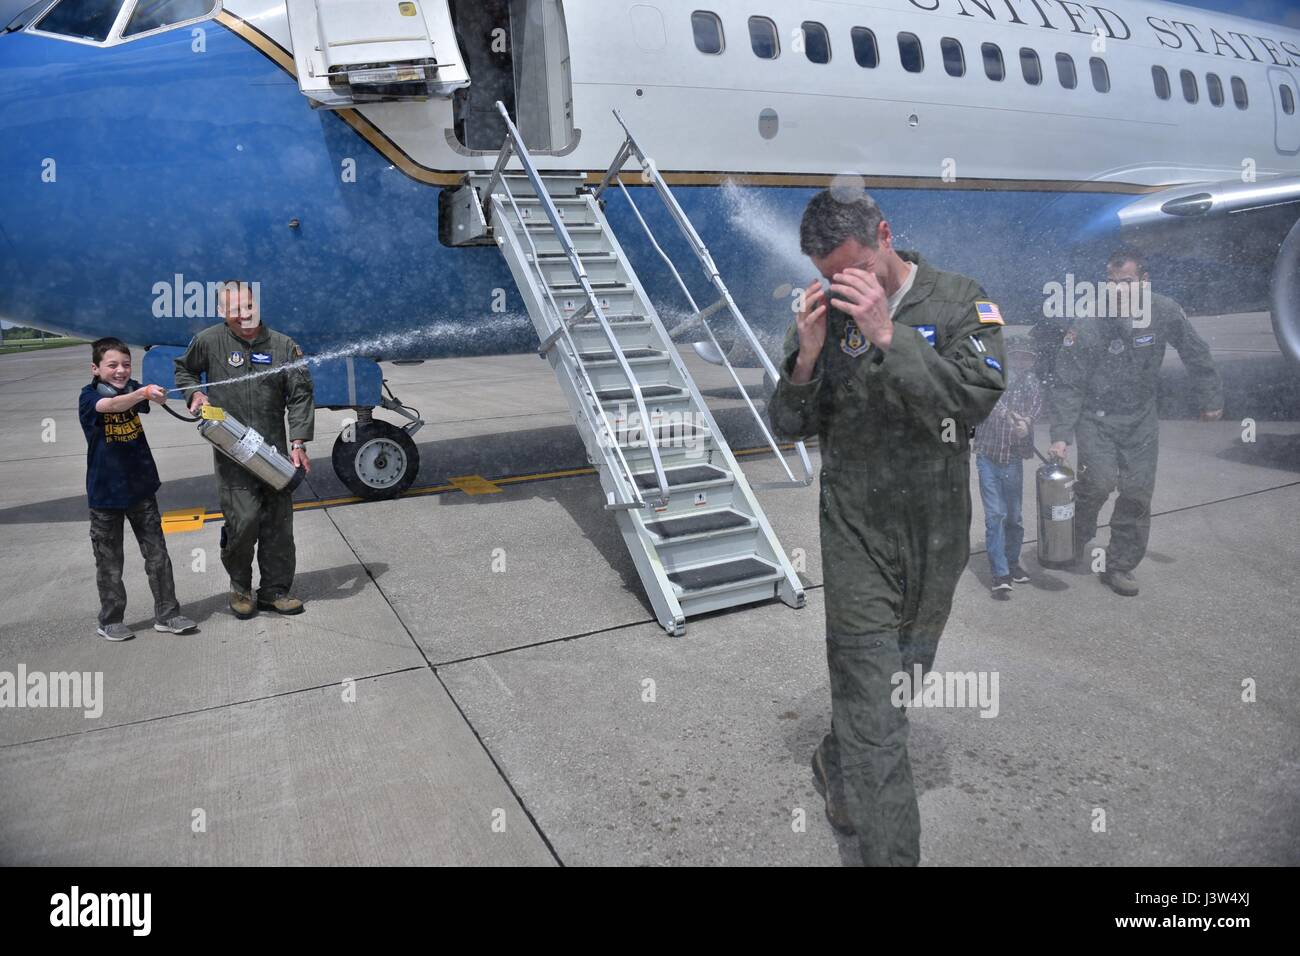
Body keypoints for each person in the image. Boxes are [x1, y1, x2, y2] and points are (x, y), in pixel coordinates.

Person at [768, 189, 1006, 866]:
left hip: (935, 532)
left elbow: (971, 403)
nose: (844, 285)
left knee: (902, 679)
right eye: (828, 273)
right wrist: (808, 358)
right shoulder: (824, 313)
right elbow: (789, 424)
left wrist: (887, 336)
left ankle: (836, 766)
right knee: (876, 713)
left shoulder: (960, 301)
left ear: (885, 234)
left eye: (855, 268)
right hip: (856, 534)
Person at [1048, 249, 1223, 597]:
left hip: (1140, 418)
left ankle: (1120, 565)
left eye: (1125, 282)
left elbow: (1195, 352)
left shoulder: (1164, 310)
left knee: (1137, 492)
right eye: (1111, 282)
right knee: (1097, 484)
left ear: (1143, 282)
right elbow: (1069, 381)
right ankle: (1073, 539)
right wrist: (1061, 435)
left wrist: (1211, 398)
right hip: (1096, 419)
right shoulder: (1089, 320)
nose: (1116, 290)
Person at [174, 281, 315, 619]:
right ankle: (240, 588)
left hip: (275, 451)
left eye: (248, 307)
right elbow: (184, 369)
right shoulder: (209, 341)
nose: (243, 315)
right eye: (234, 310)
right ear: (223, 312)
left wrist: (298, 442)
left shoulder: (283, 346)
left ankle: (275, 591)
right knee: (243, 522)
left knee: (279, 526)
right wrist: (194, 393)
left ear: (257, 305)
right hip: (231, 452)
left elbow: (299, 395)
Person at [80, 338, 197, 641]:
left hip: (141, 490)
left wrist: (156, 393)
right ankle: (110, 620)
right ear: (95, 368)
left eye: (126, 365)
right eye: (112, 365)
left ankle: (168, 614)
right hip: (105, 496)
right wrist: (141, 392)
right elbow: (110, 406)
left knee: (157, 555)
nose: (121, 371)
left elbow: (147, 398)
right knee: (110, 563)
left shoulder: (132, 387)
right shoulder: (89, 397)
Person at [973, 333, 1044, 598]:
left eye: (1027, 357)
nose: (1022, 361)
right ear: (1007, 357)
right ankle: (1000, 573)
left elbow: (1036, 405)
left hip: (1013, 458)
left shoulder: (1032, 382)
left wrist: (1026, 420)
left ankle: (1013, 564)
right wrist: (1009, 415)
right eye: (1017, 356)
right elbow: (990, 401)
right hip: (988, 456)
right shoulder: (994, 377)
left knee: (1014, 516)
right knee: (995, 516)